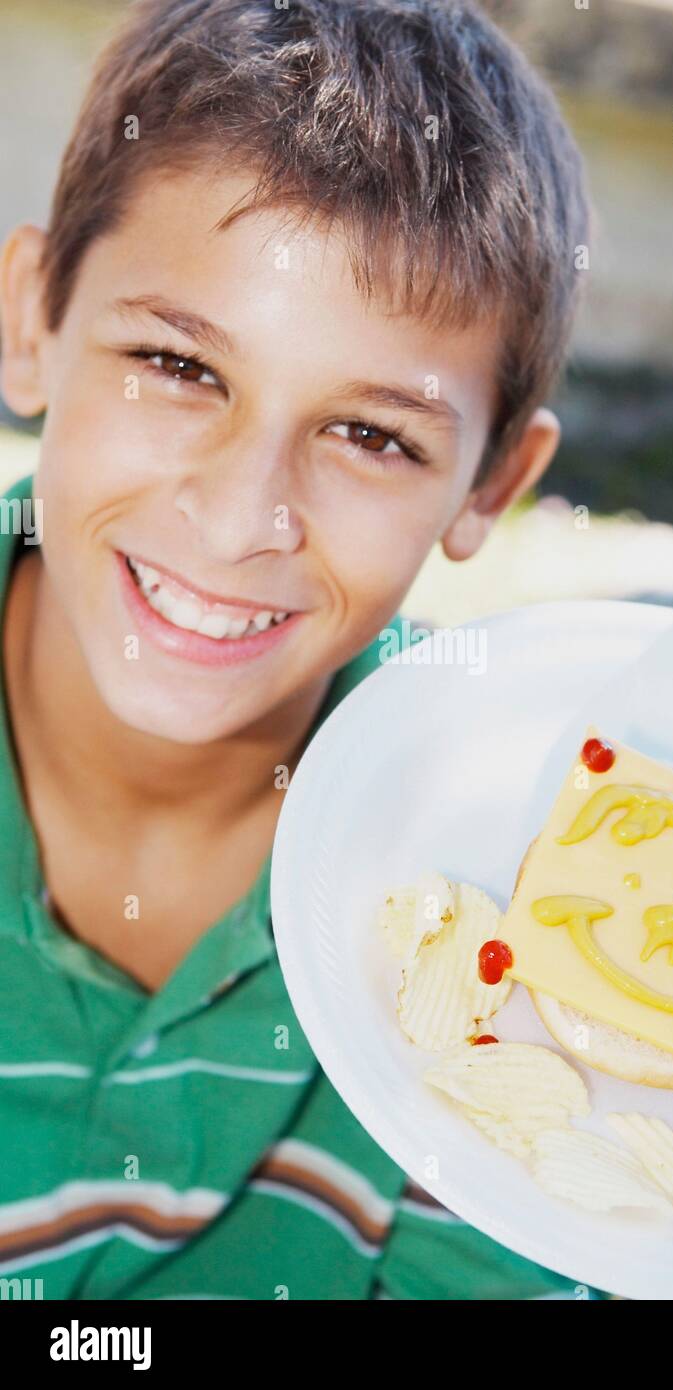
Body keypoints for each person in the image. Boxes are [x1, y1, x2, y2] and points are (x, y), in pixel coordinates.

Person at [0, 0, 604, 1298]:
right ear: (32, 317)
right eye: (177, 364)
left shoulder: (526, 910)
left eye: (372, 436)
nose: (237, 518)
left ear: (492, 484)